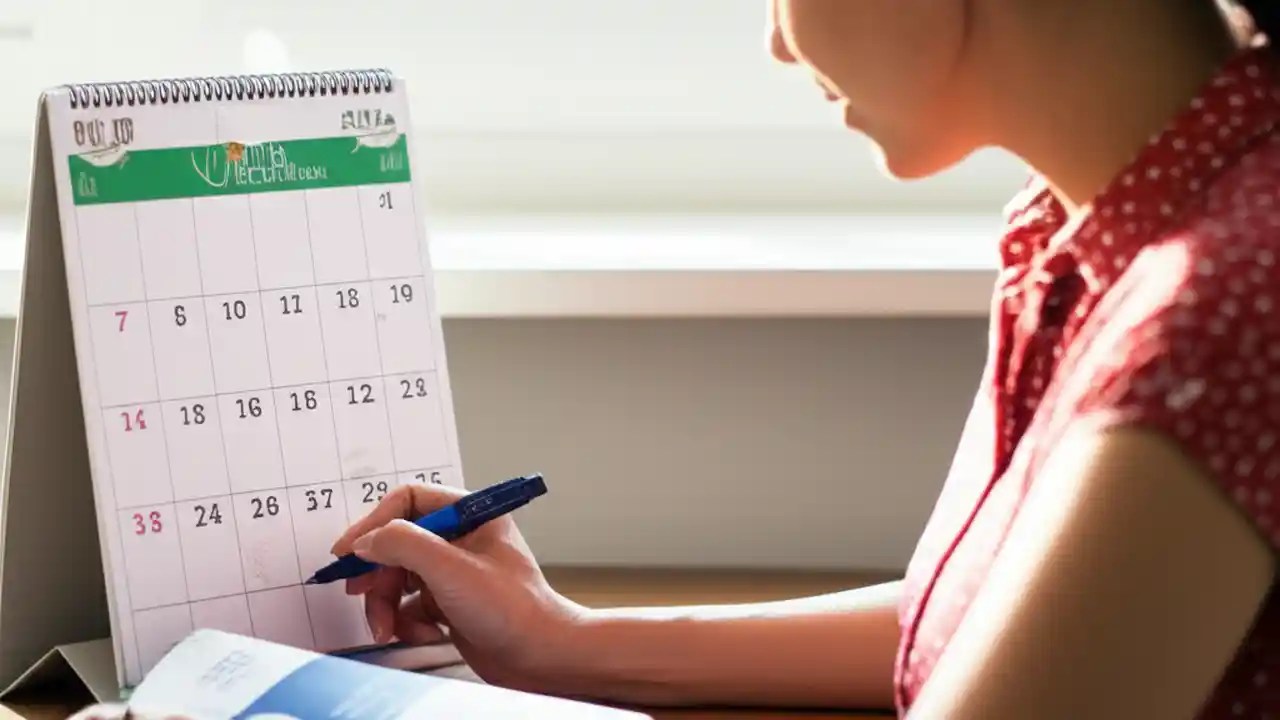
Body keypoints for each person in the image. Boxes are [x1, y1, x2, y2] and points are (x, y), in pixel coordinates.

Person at [73, 1, 1280, 718]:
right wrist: (569, 643)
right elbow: (1003, 618)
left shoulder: (1212, 311)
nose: (772, 40)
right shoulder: (1102, 222)